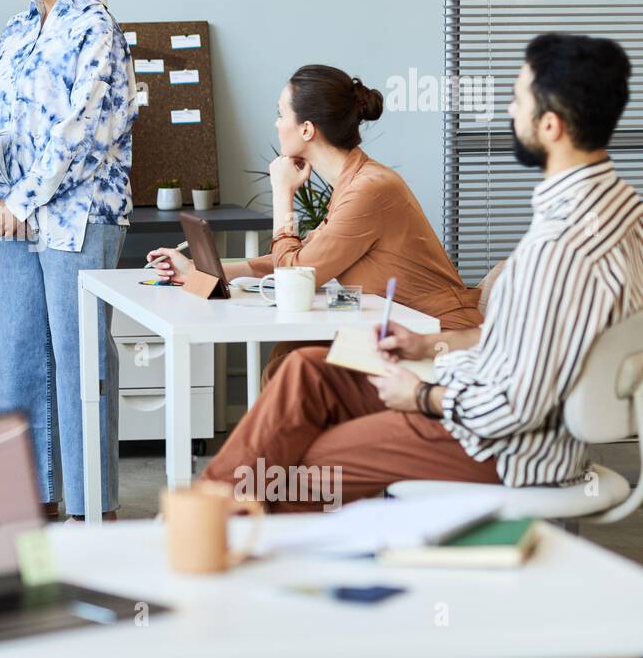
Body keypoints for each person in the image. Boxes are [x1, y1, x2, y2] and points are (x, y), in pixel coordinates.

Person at [200, 33, 643, 510]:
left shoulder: (561, 246)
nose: (510, 113)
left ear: (551, 124)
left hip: (498, 444)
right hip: (471, 388)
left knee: (293, 469)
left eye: (517, 100)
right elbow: (519, 337)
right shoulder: (619, 210)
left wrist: (423, 395)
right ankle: (204, 512)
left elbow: (515, 407)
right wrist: (424, 346)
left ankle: (206, 530)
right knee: (306, 369)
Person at [148, 64, 481, 381]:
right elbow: (306, 258)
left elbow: (296, 275)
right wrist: (203, 271)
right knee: (288, 356)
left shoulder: (370, 189)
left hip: (432, 334)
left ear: (306, 129)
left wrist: (281, 192)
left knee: (290, 366)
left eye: (281, 114)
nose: (277, 124)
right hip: (394, 328)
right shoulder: (353, 183)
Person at [0, 0, 137, 522]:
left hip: (80, 214)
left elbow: (85, 132)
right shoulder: (16, 30)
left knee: (78, 357)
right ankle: (30, 497)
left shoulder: (96, 27)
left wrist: (21, 197)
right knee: (16, 354)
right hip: (15, 215)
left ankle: (92, 506)